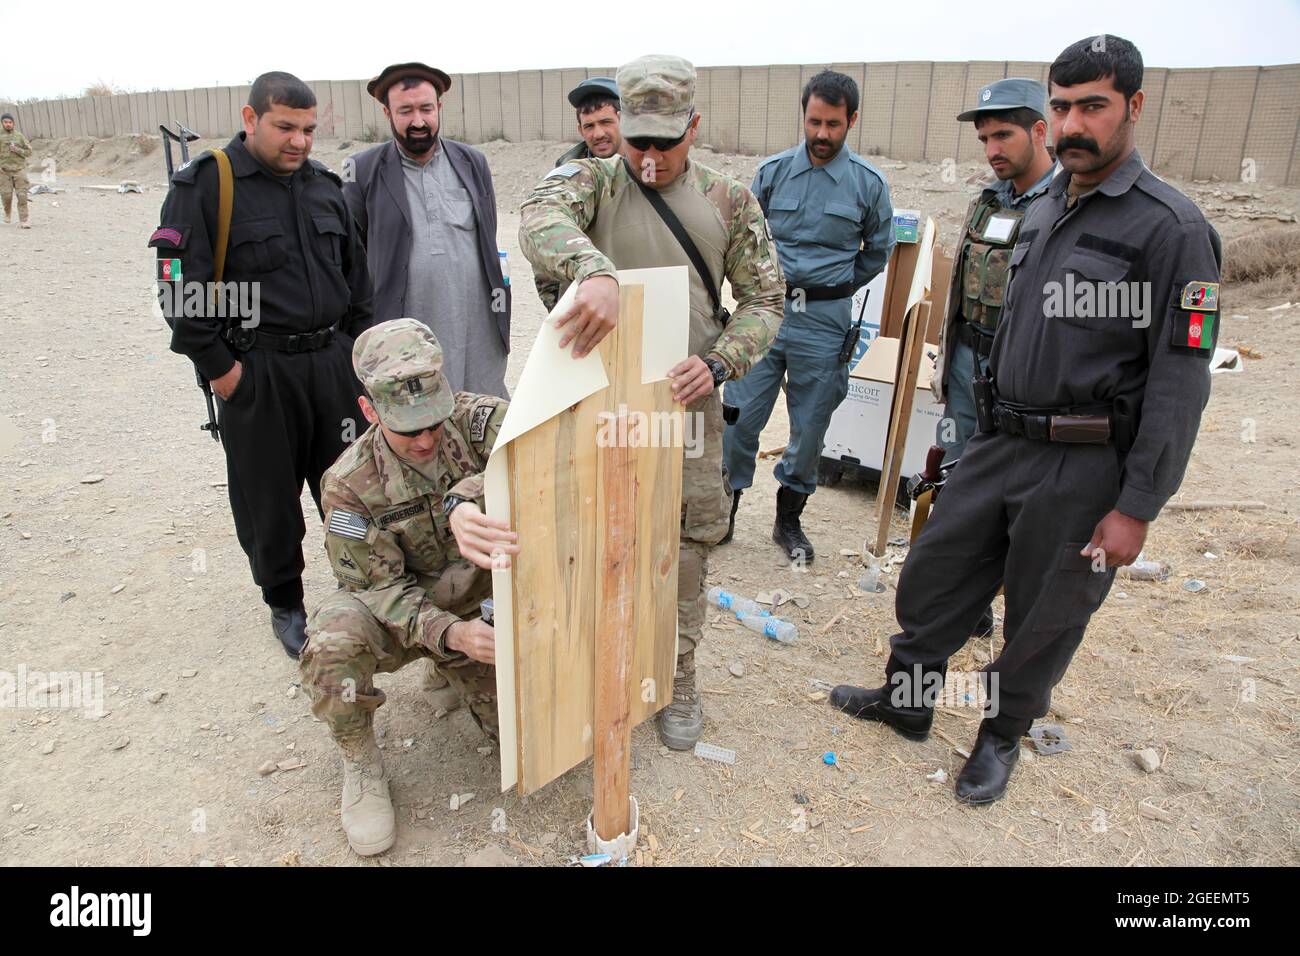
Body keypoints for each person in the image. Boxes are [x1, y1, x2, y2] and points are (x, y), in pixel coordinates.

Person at [829, 35, 1222, 805]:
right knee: (935, 573)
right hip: (997, 438)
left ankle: (999, 737)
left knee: (1045, 613)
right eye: (1064, 106)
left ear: (1134, 108)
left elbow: (1181, 380)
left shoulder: (1171, 228)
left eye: (1093, 107)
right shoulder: (1041, 207)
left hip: (1082, 464)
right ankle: (907, 705)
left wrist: (1138, 505)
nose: (1074, 123)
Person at [519, 54, 785, 751]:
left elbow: (765, 301)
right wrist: (592, 269)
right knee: (590, 537)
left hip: (684, 409)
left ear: (694, 128)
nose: (651, 158)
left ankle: (678, 672)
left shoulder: (729, 200)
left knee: (687, 546)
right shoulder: (591, 181)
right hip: (595, 401)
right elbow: (538, 218)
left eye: (667, 144)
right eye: (639, 141)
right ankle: (594, 666)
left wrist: (719, 361)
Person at [150, 72, 374, 658]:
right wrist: (222, 369)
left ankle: (366, 585)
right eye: (284, 127)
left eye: (307, 129)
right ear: (250, 120)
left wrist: (351, 348)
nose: (298, 141)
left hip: (330, 366)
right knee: (268, 497)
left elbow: (357, 278)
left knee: (351, 487)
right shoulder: (207, 186)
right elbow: (176, 284)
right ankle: (286, 603)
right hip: (258, 370)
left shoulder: (325, 186)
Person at [301, 318, 517, 857]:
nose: (426, 440)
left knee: (527, 751)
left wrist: (467, 497)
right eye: (408, 428)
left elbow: (549, 447)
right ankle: (360, 760)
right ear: (370, 411)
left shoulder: (476, 420)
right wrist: (453, 636)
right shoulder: (348, 483)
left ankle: (456, 669)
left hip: (485, 600)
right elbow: (378, 589)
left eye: (434, 423)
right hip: (408, 613)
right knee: (334, 642)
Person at [721, 70, 895, 563]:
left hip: (823, 321)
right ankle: (725, 509)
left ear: (852, 121)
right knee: (737, 416)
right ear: (804, 115)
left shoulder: (869, 184)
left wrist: (829, 291)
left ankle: (788, 519)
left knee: (811, 426)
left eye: (834, 124)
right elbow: (745, 239)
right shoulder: (772, 173)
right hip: (764, 313)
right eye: (815, 121)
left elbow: (876, 253)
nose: (822, 134)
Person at [931, 77, 1057, 639]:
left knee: (1013, 496)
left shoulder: (1063, 204)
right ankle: (967, 600)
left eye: (1003, 135)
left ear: (1039, 130)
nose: (992, 150)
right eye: (984, 139)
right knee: (961, 482)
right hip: (967, 365)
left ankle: (1009, 605)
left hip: (1019, 375)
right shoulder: (988, 199)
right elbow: (961, 281)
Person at [342, 61, 511, 398]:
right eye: (405, 111)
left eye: (426, 108)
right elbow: (350, 257)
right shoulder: (361, 169)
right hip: (404, 335)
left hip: (477, 327)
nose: (418, 121)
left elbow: (487, 238)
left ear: (439, 108)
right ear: (388, 113)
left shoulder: (472, 162)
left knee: (480, 416)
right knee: (418, 427)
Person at [554, 76, 622, 166]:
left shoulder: (644, 167)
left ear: (624, 122)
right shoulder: (568, 173)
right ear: (581, 130)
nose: (598, 134)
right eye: (589, 126)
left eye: (606, 122)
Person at [1, 112, 33, 229]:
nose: (8, 124)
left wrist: (17, 150)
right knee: (6, 195)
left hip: (19, 169)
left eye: (10, 122)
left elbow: (29, 151)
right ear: (2, 123)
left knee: (22, 195)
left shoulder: (19, 136)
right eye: (6, 122)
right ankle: (7, 212)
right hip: (3, 171)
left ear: (13, 123)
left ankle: (24, 220)